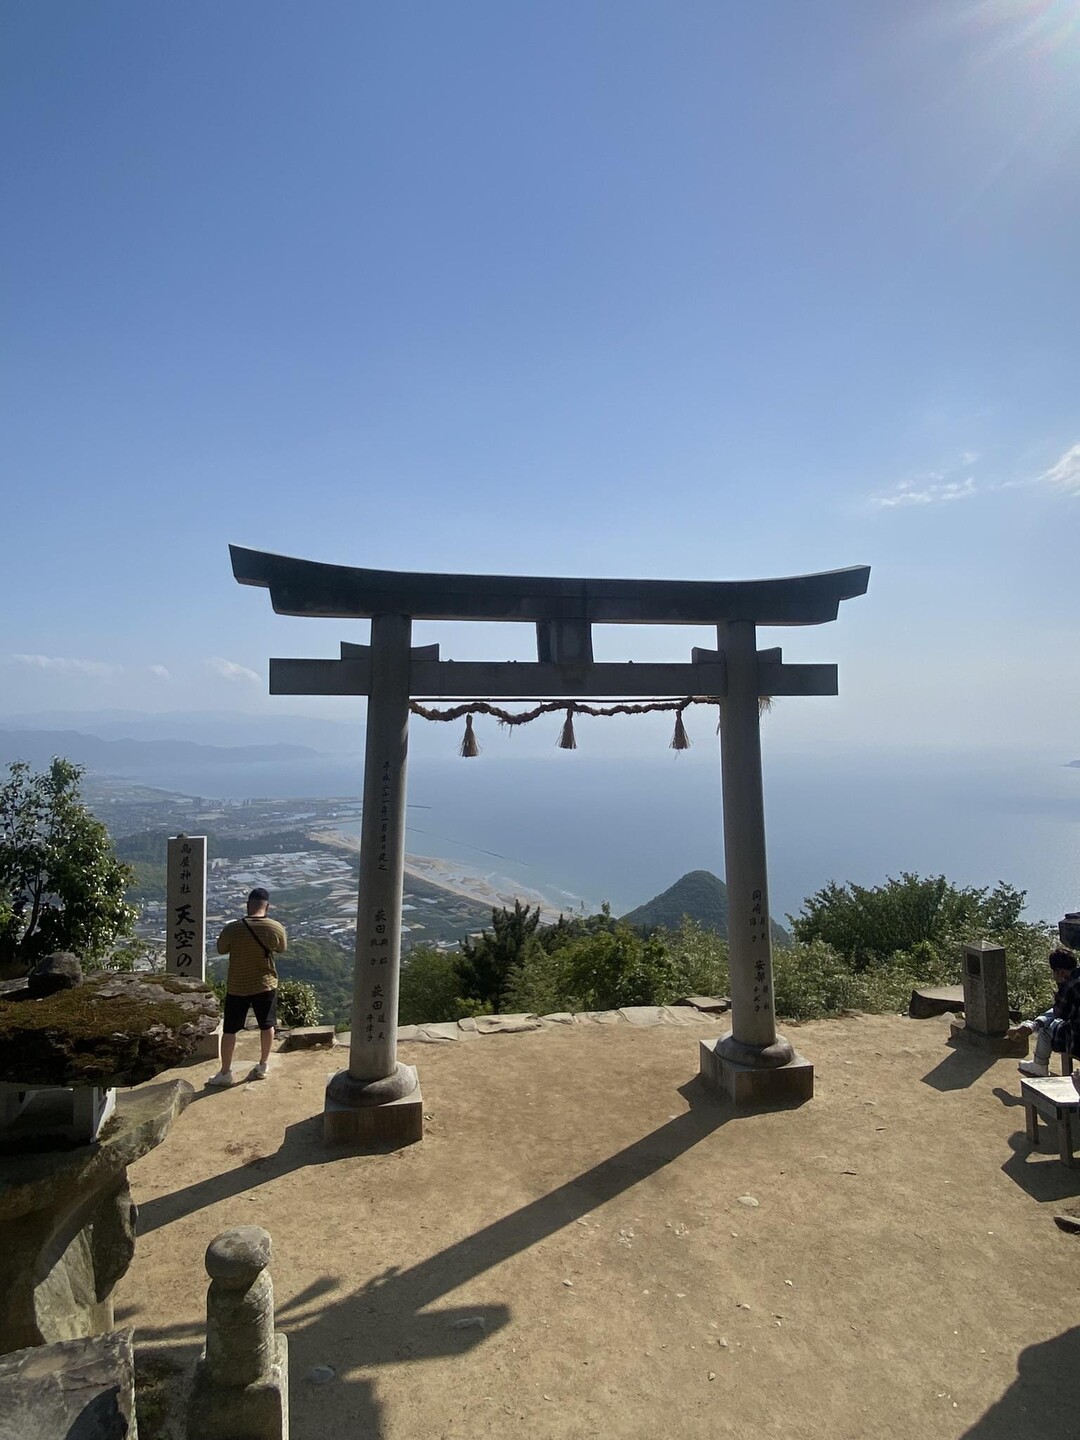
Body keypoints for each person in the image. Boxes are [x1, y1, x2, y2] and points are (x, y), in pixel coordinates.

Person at [206, 886, 287, 1087]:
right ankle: (263, 1065)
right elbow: (281, 948)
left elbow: (221, 948)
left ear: (248, 905)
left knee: (230, 1030)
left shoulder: (233, 928)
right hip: (265, 983)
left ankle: (225, 1072)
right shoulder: (275, 927)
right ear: (267, 906)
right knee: (267, 1024)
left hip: (237, 985)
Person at [1018, 948, 1077, 1078]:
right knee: (1056, 1020)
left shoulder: (1069, 986)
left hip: (1078, 1040)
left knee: (1048, 1029)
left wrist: (1060, 987)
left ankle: (1039, 1065)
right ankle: (1034, 1024)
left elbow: (1059, 1013)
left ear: (1060, 972)